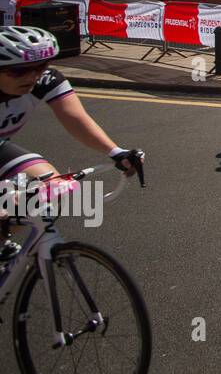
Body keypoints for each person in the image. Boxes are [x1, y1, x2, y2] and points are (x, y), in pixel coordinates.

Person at [0, 27, 142, 263]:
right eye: (19, 71)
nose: (32, 77)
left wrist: (116, 152)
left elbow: (76, 119)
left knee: (50, 188)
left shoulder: (44, 81)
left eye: (40, 67)